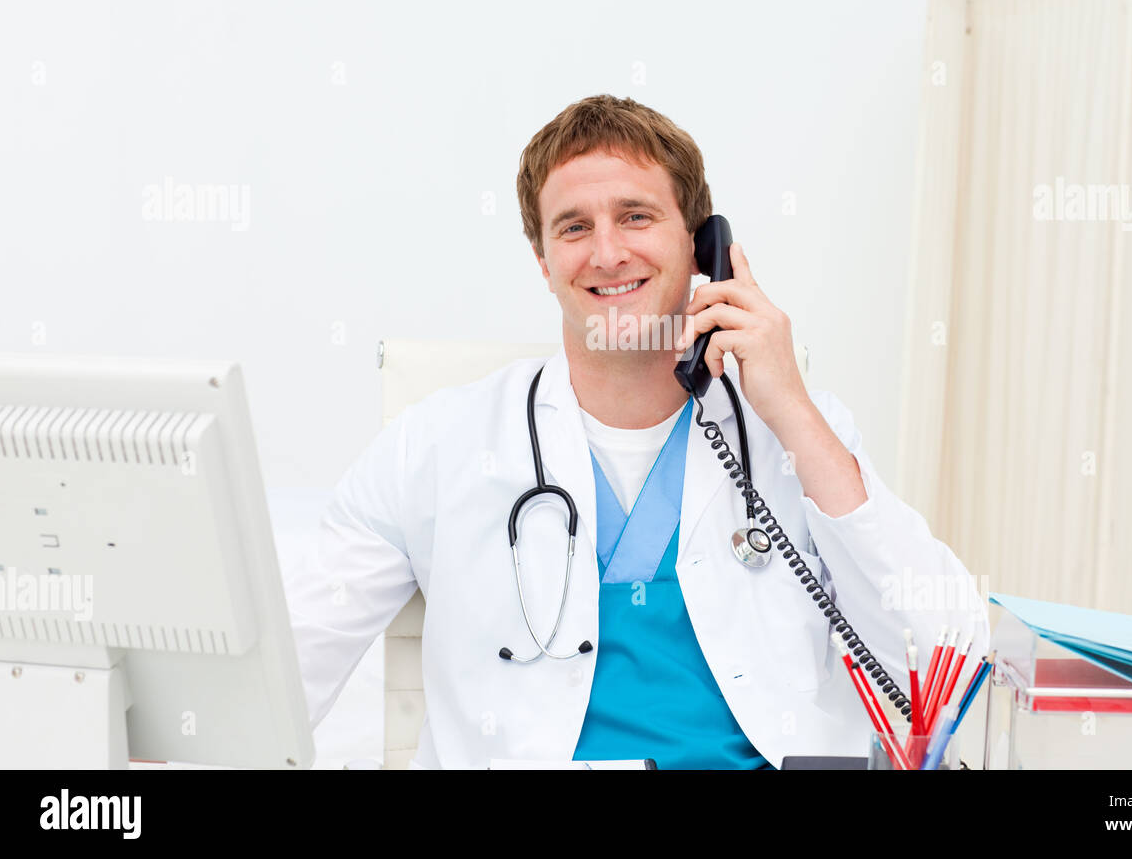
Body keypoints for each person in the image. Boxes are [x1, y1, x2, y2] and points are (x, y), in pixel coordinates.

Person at [284, 94, 988, 769]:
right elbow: (285, 672)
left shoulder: (798, 433)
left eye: (636, 216)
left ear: (701, 242)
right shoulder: (434, 447)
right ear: (543, 262)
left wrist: (791, 412)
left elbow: (949, 662)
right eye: (573, 227)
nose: (608, 252)